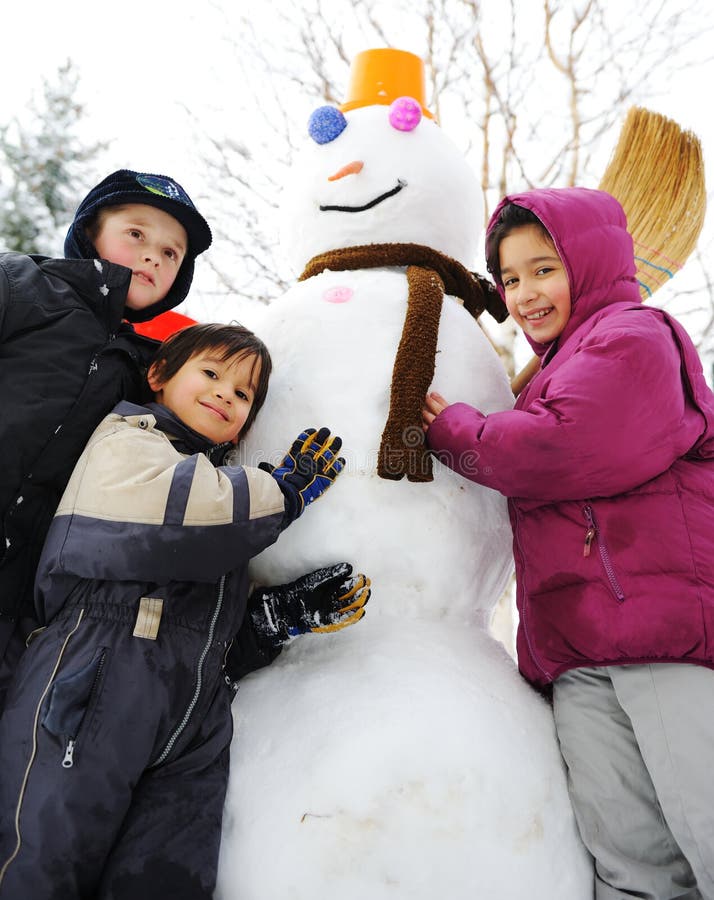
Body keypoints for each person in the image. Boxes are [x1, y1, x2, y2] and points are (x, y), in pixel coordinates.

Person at [0, 322, 369, 900]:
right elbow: (180, 518)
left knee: (164, 876)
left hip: (192, 709)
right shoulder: (127, 440)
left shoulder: (220, 503)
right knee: (44, 861)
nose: (227, 393)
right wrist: (284, 488)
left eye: (245, 394)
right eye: (212, 373)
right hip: (92, 678)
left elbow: (197, 625)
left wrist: (269, 621)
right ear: (159, 376)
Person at [422, 187, 714, 899]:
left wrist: (457, 429)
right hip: (578, 651)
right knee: (632, 866)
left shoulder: (635, 336)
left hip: (660, 637)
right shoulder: (553, 373)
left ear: (589, 263)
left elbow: (562, 447)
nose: (525, 293)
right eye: (511, 278)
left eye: (543, 268)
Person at [0, 169, 213, 711]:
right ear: (91, 232)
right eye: (136, 234)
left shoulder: (150, 371)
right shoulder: (22, 284)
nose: (153, 257)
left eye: (171, 253)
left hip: (22, 598)